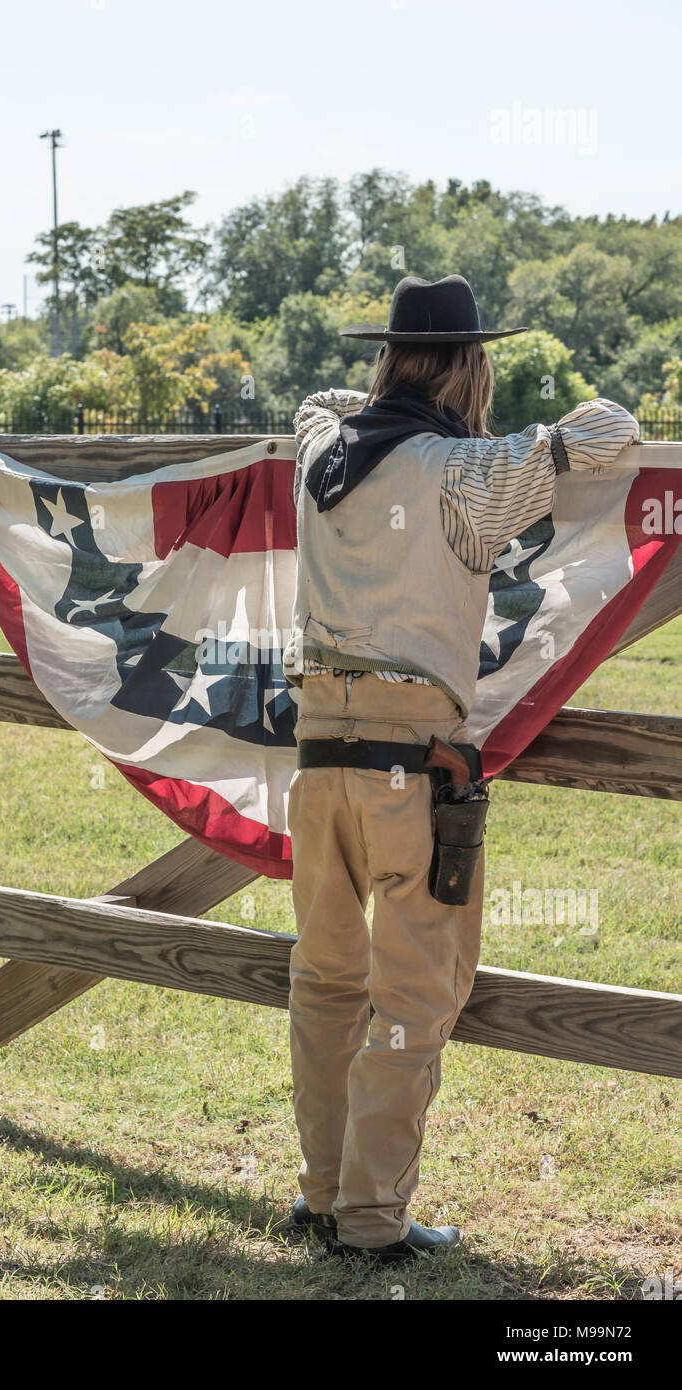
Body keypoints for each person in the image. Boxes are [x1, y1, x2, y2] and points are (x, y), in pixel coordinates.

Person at [281, 274, 639, 1266]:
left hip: (316, 757)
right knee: (413, 992)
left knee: (323, 978)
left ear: (387, 358)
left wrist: (384, 407)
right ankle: (370, 1219)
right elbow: (609, 425)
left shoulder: (320, 450)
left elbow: (319, 405)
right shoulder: (469, 470)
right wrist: (478, 422)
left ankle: (320, 1197)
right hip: (411, 767)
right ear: (472, 365)